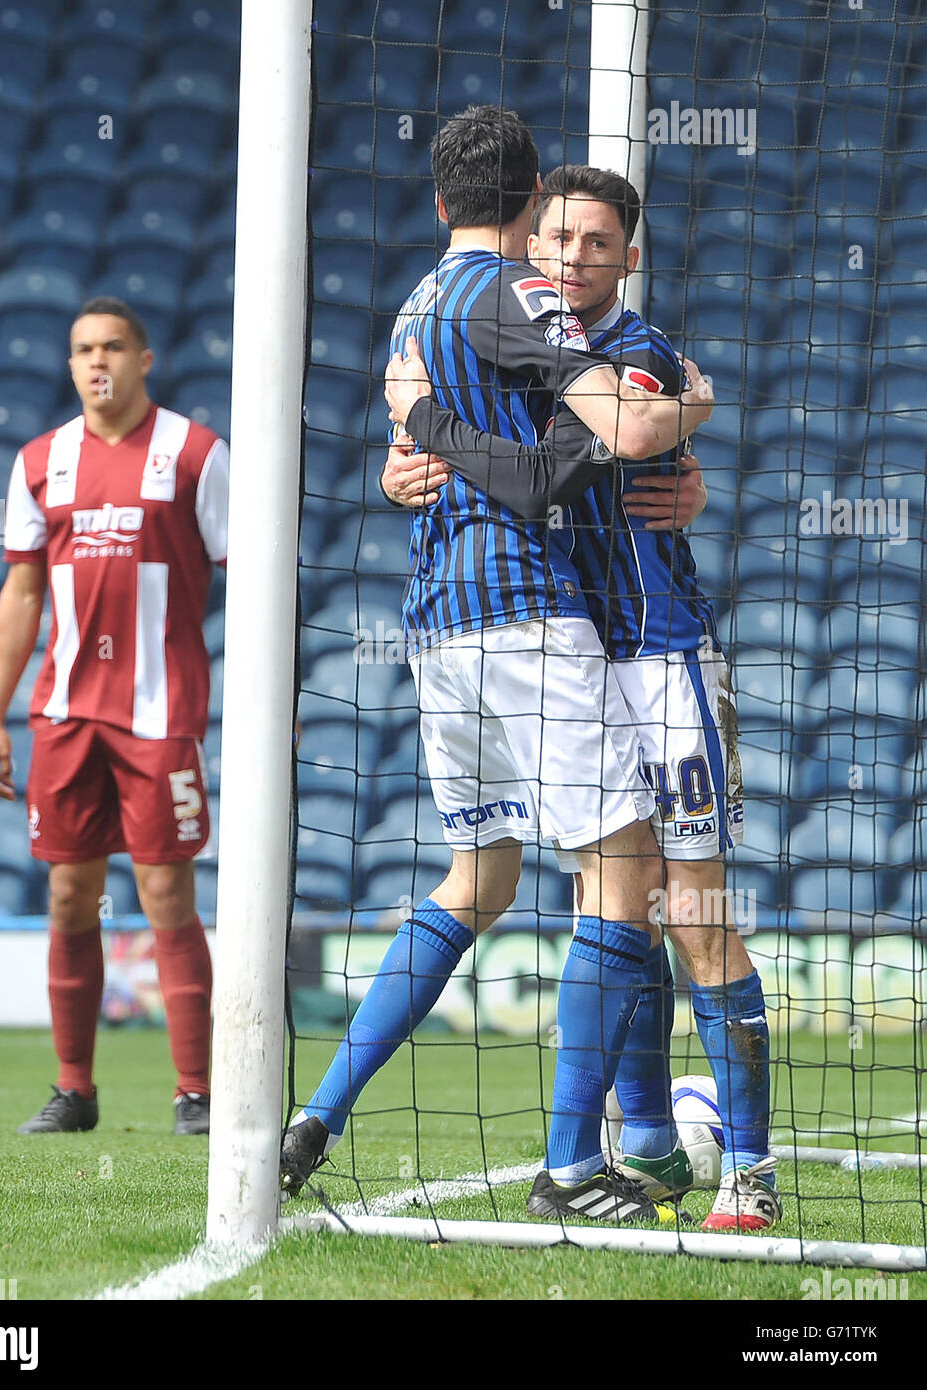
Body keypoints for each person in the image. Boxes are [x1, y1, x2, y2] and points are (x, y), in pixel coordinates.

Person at [282, 107, 714, 1224]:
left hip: (436, 626)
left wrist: (413, 434)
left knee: (477, 883)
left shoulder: (412, 308)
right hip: (529, 616)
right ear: (528, 208)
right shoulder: (514, 292)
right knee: (624, 876)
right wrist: (689, 408)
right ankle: (572, 1165)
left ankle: (318, 1112)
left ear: (436, 202)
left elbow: (449, 446)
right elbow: (618, 434)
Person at [382, 164, 778, 1233]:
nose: (570, 257)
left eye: (596, 242)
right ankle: (640, 1143)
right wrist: (399, 457)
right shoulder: (517, 340)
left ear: (627, 257)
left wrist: (687, 412)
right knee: (616, 913)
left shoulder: (634, 355)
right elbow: (440, 449)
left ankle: (747, 1169)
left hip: (661, 661)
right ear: (529, 238)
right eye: (555, 236)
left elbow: (630, 430)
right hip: (573, 661)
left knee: (689, 914)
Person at [0, 297, 229, 1137]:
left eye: (113, 347)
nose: (97, 363)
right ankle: (74, 1091)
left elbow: (253, 575)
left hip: (160, 716)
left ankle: (195, 1090)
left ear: (144, 358)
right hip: (64, 715)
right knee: (69, 897)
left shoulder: (194, 453)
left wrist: (277, 698)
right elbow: (18, 595)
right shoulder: (40, 461)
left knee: (165, 893)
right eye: (83, 349)